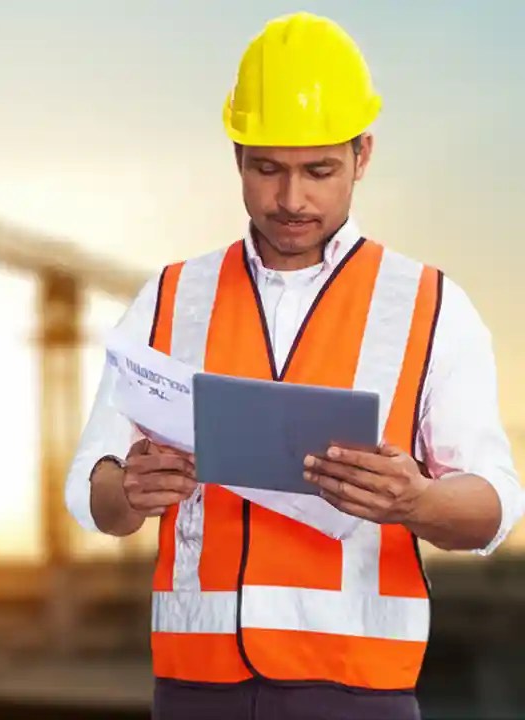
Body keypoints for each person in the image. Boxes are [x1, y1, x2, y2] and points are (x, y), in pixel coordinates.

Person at [64, 11, 524, 720]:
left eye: (319, 171)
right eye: (267, 169)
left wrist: (417, 501)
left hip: (358, 692)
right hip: (194, 691)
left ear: (363, 155)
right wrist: (129, 490)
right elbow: (93, 488)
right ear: (237, 155)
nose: (291, 200)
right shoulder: (171, 297)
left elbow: (495, 504)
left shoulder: (430, 305)